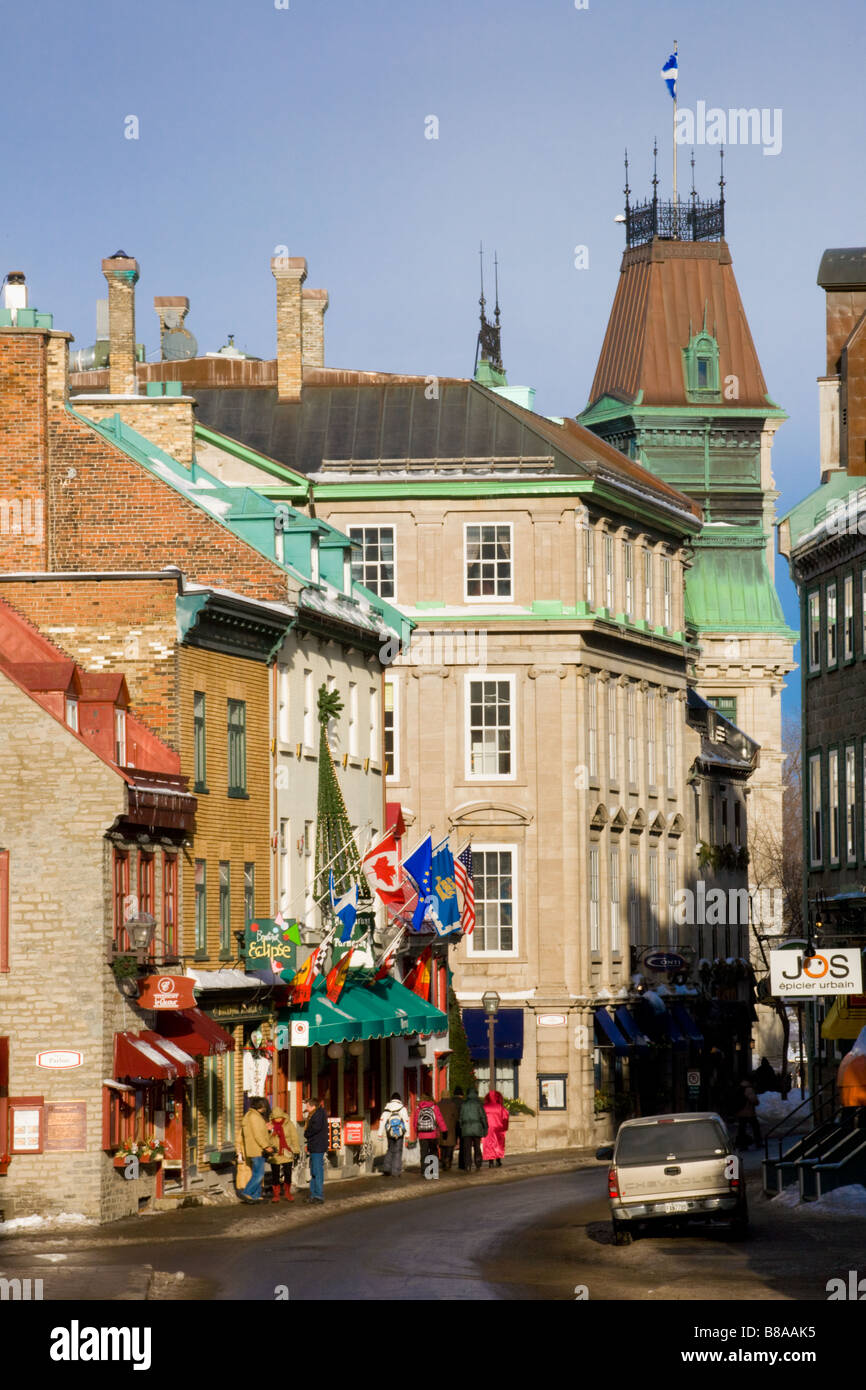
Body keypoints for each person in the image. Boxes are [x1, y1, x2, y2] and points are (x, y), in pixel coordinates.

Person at [239, 1097, 275, 1203]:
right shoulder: (254, 1117)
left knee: (258, 1172)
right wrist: (266, 1146)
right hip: (257, 1149)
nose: (265, 1108)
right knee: (259, 1173)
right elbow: (257, 1134)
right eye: (264, 1106)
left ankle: (256, 1195)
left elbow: (259, 1131)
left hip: (256, 1148)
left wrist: (267, 1129)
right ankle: (247, 1192)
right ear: (260, 1106)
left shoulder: (252, 1115)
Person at [268, 1106, 301, 1202]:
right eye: (275, 1118)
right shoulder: (270, 1125)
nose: (278, 1120)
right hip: (275, 1153)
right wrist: (269, 1131)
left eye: (279, 1117)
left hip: (287, 1152)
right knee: (275, 1174)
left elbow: (294, 1138)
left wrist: (296, 1151)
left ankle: (287, 1192)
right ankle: (276, 1195)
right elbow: (266, 1139)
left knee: (288, 1173)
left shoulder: (289, 1124)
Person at [303, 1096, 329, 1204]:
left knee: (317, 1171)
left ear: (313, 1106)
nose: (306, 1108)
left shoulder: (317, 1115)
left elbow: (315, 1128)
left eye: (308, 1106)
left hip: (317, 1146)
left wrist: (306, 1133)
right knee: (314, 1171)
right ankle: (314, 1194)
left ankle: (318, 1195)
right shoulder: (317, 1113)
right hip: (315, 1145)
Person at [379, 1092, 411, 1177]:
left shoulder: (387, 1108)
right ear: (399, 1099)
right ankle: (396, 1171)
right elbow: (406, 1121)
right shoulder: (402, 1109)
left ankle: (386, 1168)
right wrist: (407, 1134)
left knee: (390, 1149)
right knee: (398, 1151)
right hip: (400, 1133)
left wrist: (380, 1133)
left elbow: (382, 1121)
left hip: (389, 1132)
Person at [413, 1093, 447, 1169]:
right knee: (433, 1151)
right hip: (433, 1134)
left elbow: (415, 1122)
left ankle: (424, 1170)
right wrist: (444, 1130)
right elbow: (439, 1120)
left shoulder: (419, 1109)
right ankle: (433, 1169)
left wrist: (416, 1131)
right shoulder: (434, 1107)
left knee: (423, 1152)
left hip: (422, 1134)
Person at [457, 1086, 488, 1171]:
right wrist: (485, 1127)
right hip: (477, 1128)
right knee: (477, 1146)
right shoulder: (478, 1104)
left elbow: (460, 1118)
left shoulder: (464, 1104)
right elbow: (483, 1117)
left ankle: (468, 1165)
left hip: (466, 1128)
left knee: (467, 1148)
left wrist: (461, 1126)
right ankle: (478, 1162)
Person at [481, 1090, 510, 1168]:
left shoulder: (485, 1107)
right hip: (498, 1128)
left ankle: (490, 1162)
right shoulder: (500, 1107)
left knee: (489, 1144)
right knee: (498, 1144)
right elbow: (505, 1118)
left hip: (488, 1128)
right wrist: (505, 1128)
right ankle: (498, 1160)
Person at [437, 1088, 463, 1170]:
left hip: (440, 1127)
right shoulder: (452, 1105)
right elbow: (456, 1116)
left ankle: (443, 1160)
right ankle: (448, 1160)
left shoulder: (438, 1105)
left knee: (442, 1145)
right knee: (450, 1146)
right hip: (451, 1128)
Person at [734, 1076, 761, 1149]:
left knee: (742, 1129)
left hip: (740, 1112)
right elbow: (753, 1100)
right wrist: (757, 1102)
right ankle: (758, 1142)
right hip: (748, 1112)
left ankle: (742, 1144)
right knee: (755, 1127)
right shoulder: (749, 1089)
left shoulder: (739, 1088)